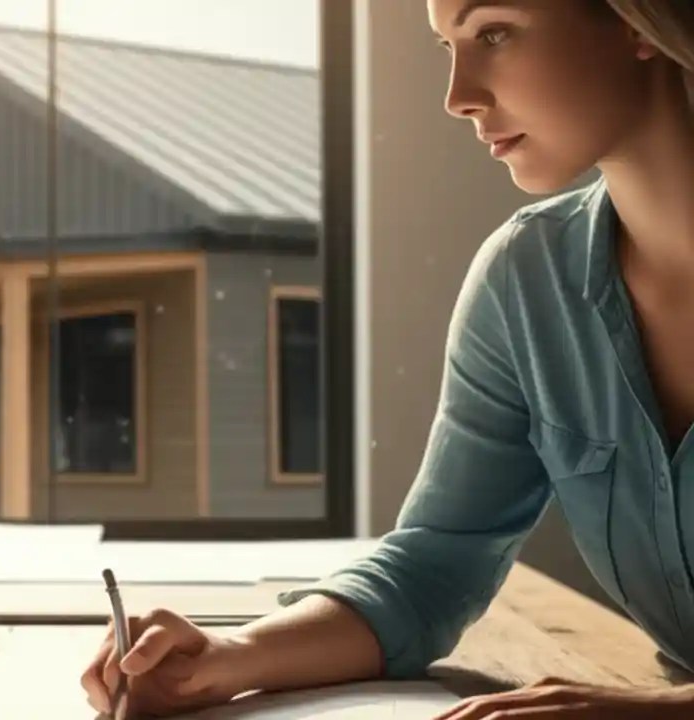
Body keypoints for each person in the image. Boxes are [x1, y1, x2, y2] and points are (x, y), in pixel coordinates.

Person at [82, 0, 694, 717]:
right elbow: (430, 571)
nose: (458, 94)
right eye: (446, 46)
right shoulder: (526, 282)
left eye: (492, 32)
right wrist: (226, 659)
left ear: (635, 22)